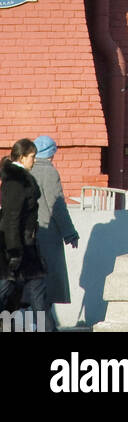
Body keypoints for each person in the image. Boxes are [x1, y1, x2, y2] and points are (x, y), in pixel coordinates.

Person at [0, 138, 54, 328]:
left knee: (35, 292)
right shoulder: (15, 182)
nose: (34, 161)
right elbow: (11, 219)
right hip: (18, 248)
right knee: (8, 292)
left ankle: (45, 329)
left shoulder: (20, 179)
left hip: (27, 247)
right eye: (32, 157)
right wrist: (14, 252)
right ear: (22, 158)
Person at [29, 135, 79, 328]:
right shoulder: (48, 172)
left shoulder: (27, 170)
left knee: (32, 287)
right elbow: (57, 205)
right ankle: (47, 327)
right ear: (51, 153)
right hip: (46, 235)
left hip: (29, 235)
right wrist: (70, 232)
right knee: (45, 287)